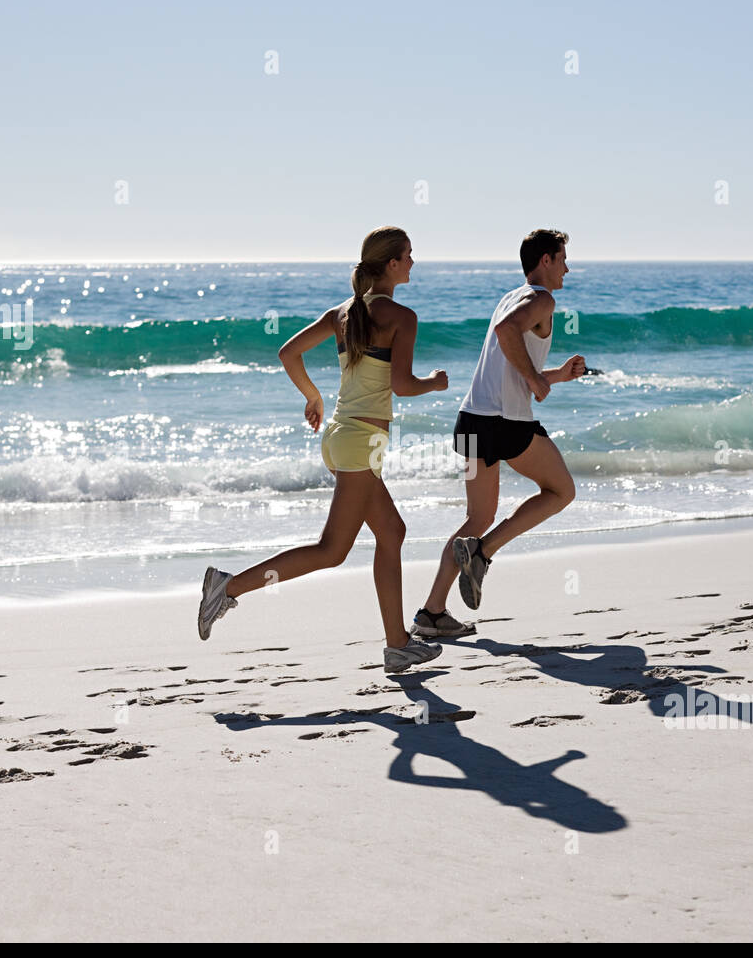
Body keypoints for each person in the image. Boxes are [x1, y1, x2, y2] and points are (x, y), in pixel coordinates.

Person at [198, 226, 450, 674]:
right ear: (391, 263)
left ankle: (398, 645)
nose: (413, 262)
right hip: (359, 444)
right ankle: (227, 587)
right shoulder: (400, 316)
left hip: (340, 436)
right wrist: (434, 382)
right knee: (332, 549)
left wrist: (312, 397)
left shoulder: (343, 312)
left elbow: (288, 353)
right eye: (408, 255)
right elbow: (402, 385)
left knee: (391, 532)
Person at [411, 229, 585, 636]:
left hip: (473, 417)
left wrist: (553, 376)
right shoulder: (541, 298)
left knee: (478, 516)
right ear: (545, 260)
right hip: (504, 422)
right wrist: (535, 380)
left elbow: (507, 362)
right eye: (562, 258)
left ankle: (431, 614)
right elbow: (509, 335)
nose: (566, 267)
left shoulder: (511, 296)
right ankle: (483, 553)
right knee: (561, 492)